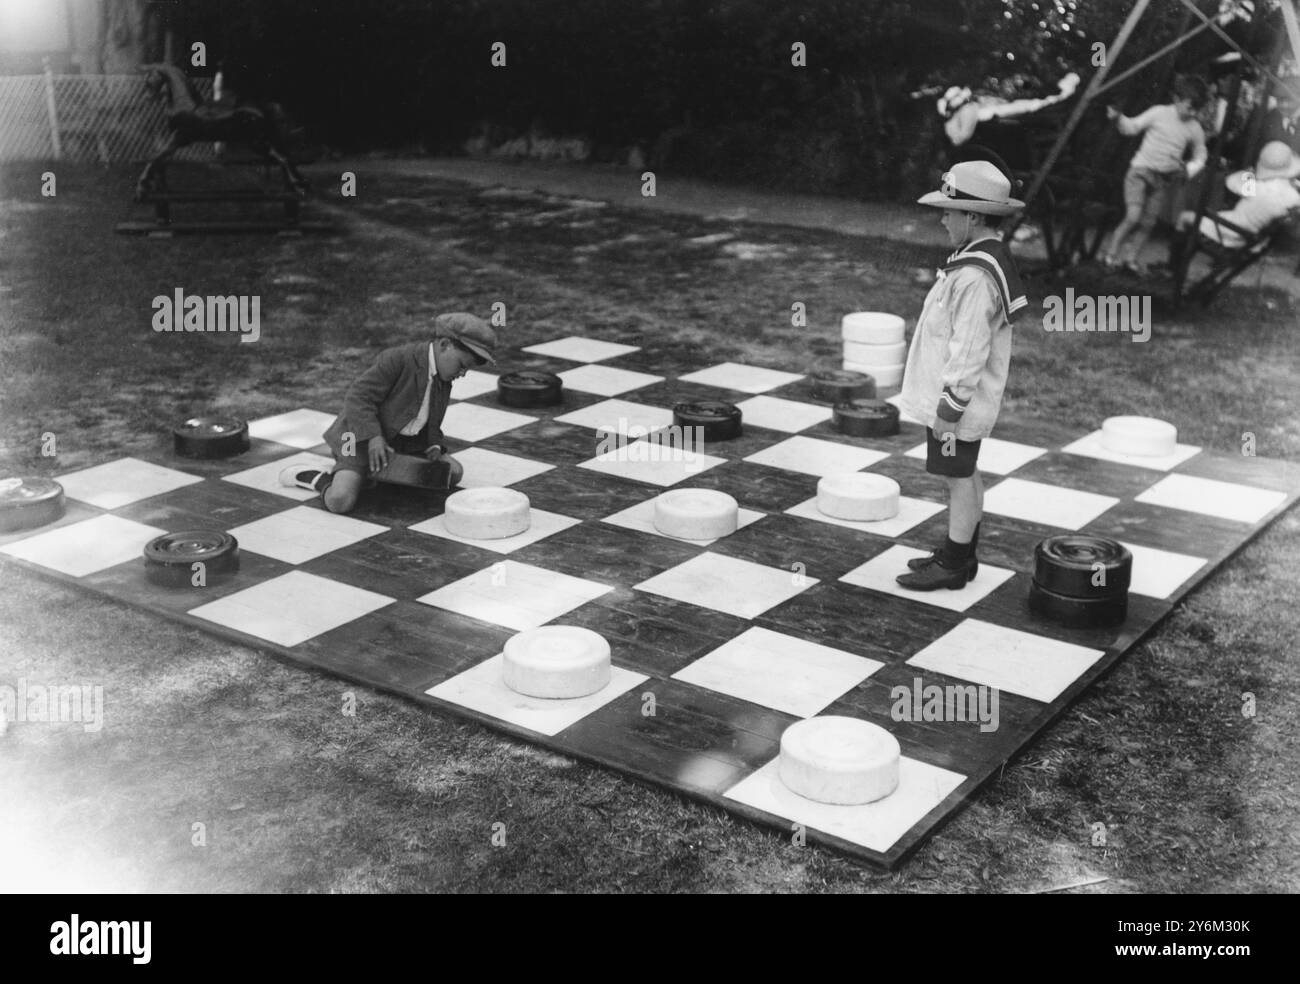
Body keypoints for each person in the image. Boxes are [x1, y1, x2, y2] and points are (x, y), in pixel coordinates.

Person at [895, 160, 1027, 591]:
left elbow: (969, 348)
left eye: (948, 211)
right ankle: (961, 555)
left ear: (972, 216)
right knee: (963, 473)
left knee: (957, 475)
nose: (942, 218)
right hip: (957, 401)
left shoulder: (973, 276)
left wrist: (950, 407)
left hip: (956, 404)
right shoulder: (975, 261)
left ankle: (954, 563)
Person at [279, 312, 497, 514]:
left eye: (466, 369)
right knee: (340, 501)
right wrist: (374, 438)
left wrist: (434, 445)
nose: (463, 374)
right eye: (462, 365)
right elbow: (358, 397)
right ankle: (319, 479)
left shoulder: (444, 375)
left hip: (401, 442)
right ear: (444, 345)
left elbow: (431, 417)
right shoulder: (397, 359)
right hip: (358, 439)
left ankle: (374, 474)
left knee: (452, 474)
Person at [1101, 74, 1210, 274]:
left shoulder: (1194, 127)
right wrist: (1118, 118)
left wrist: (1190, 167)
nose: (1193, 112)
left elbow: (1201, 154)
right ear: (1177, 99)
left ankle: (1130, 260)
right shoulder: (1159, 113)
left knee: (1148, 222)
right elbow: (1131, 127)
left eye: (1197, 109)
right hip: (1140, 172)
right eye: (1189, 106)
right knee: (1133, 216)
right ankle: (1110, 255)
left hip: (1163, 179)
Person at [1178, 140, 1300, 249]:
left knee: (1184, 216)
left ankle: (1173, 265)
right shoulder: (1292, 196)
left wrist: (1250, 173)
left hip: (1229, 231)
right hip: (1251, 236)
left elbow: (1231, 182)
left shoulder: (1254, 185)